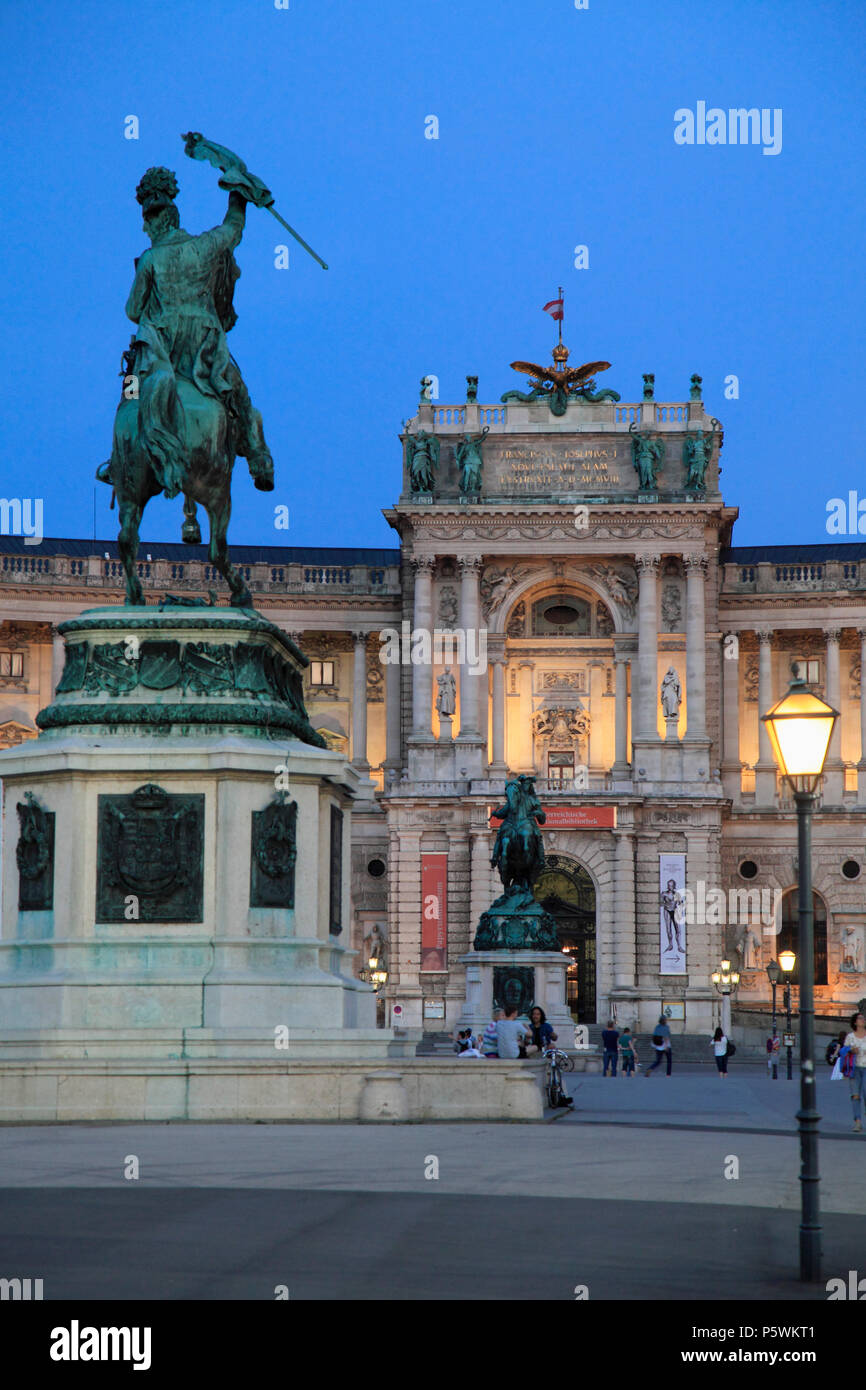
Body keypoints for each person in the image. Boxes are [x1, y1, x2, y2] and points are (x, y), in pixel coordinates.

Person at [843, 1011, 866, 1132]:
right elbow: (844, 1051)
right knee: (855, 1096)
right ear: (855, 1022)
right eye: (861, 1018)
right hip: (854, 1069)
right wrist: (851, 1050)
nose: (863, 1020)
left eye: (864, 1018)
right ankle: (857, 1122)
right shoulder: (850, 1037)